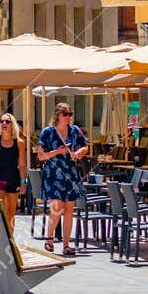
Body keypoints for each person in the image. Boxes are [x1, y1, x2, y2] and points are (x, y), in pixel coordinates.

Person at [37, 102, 89, 256]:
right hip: (53, 173)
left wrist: (81, 151)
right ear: (57, 115)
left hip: (71, 172)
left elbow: (86, 146)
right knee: (57, 208)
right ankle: (50, 237)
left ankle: (66, 245)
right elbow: (40, 156)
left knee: (69, 210)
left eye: (70, 114)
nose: (67, 117)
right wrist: (57, 152)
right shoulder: (48, 132)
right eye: (65, 114)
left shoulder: (74, 131)